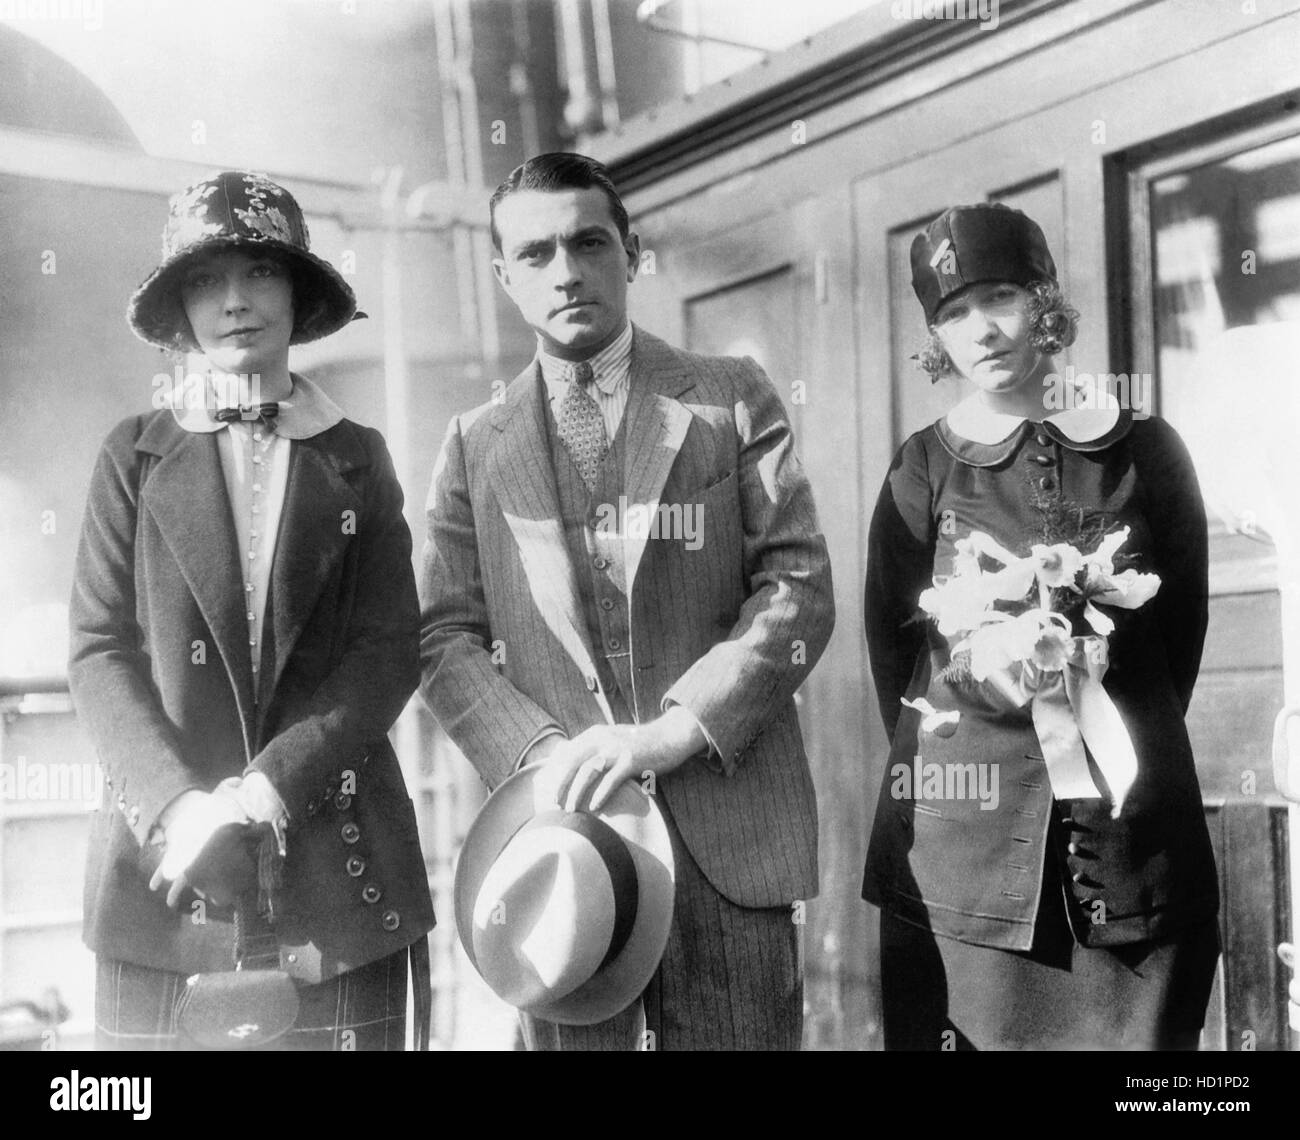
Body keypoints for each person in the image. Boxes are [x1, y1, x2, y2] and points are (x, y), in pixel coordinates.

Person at [419, 152, 835, 1050]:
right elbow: (441, 635)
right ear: (503, 278)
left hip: (731, 840)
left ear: (632, 252)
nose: (565, 271)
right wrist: (544, 755)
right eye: (534, 255)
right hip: (562, 853)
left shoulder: (730, 399)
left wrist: (666, 734)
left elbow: (798, 590)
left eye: (587, 242)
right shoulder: (472, 445)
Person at [69, 171, 433, 1050]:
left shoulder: (358, 459)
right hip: (164, 879)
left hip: (340, 882)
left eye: (260, 274)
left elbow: (388, 651)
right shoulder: (132, 459)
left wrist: (267, 789)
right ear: (180, 309)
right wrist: (180, 809)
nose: (234, 302)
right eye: (205, 280)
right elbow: (98, 651)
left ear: (296, 293)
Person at [861, 202, 1220, 1050]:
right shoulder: (923, 467)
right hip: (962, 860)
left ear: (1046, 301)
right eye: (952, 313)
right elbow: (896, 660)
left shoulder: (1148, 451)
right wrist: (987, 694)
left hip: (1133, 851)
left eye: (999, 299)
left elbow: (1180, 640)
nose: (979, 331)